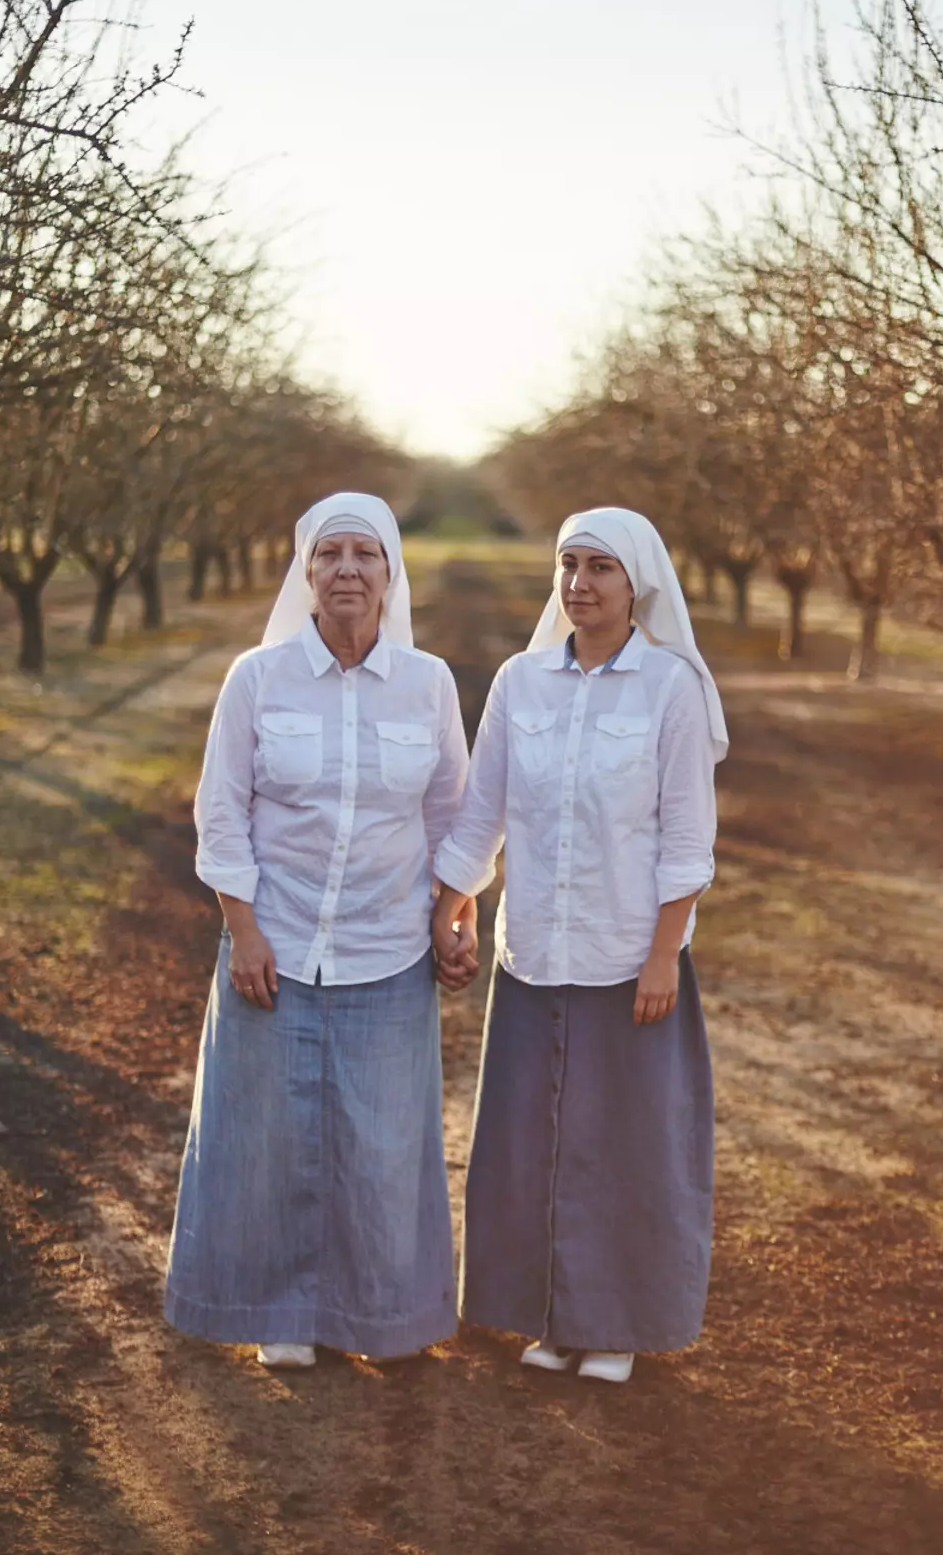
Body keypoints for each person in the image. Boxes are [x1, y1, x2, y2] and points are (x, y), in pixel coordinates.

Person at [164, 492, 475, 1369]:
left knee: (381, 1143)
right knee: (271, 1136)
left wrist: (455, 913)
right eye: (329, 553)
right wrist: (244, 929)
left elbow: (452, 813)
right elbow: (220, 813)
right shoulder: (256, 679)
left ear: (390, 574)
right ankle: (284, 1315)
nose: (347, 569)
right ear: (306, 573)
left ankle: (380, 1318)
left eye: (364, 554)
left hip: (389, 947)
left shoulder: (430, 684)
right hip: (277, 941)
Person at [432, 506, 728, 1384]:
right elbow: (482, 812)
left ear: (637, 582)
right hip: (534, 955)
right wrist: (454, 907)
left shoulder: (670, 687)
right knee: (533, 1144)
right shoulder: (521, 682)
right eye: (567, 565)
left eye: (600, 567)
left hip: (627, 957)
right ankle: (550, 1318)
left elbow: (686, 839)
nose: (580, 584)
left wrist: (664, 951)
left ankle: (617, 1328)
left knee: (623, 1145)